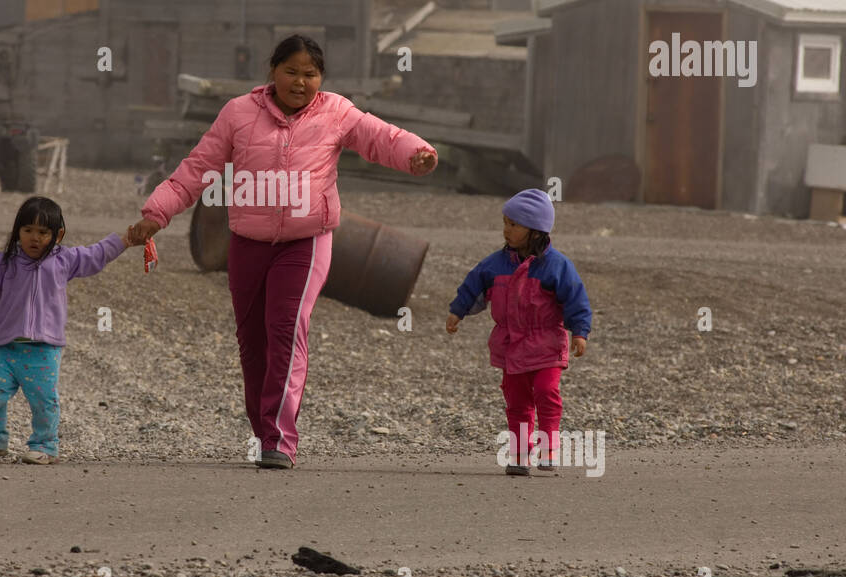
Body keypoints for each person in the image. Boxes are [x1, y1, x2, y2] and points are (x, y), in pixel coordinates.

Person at [128, 34, 438, 469]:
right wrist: (156, 212)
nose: (300, 81)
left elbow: (380, 137)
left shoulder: (337, 112)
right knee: (252, 342)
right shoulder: (238, 113)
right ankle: (263, 431)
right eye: (291, 71)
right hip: (249, 244)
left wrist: (416, 154)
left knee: (287, 330)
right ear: (272, 72)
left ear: (321, 79)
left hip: (307, 241)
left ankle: (279, 440)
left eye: (310, 74)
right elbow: (196, 169)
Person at [0, 197, 134, 464]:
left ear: (58, 235)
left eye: (43, 232)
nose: (34, 238)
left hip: (44, 350)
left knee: (44, 400)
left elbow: (96, 254)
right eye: (27, 230)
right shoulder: (5, 262)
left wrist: (125, 240)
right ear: (17, 231)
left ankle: (45, 445)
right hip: (8, 347)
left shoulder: (65, 260)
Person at [446, 189, 592, 475]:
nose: (506, 230)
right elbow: (472, 285)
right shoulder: (495, 263)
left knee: (546, 391)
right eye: (504, 222)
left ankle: (549, 449)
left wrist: (580, 332)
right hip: (511, 345)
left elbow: (576, 299)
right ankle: (518, 455)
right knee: (516, 401)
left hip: (547, 343)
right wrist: (457, 311)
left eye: (513, 224)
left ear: (536, 230)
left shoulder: (557, 266)